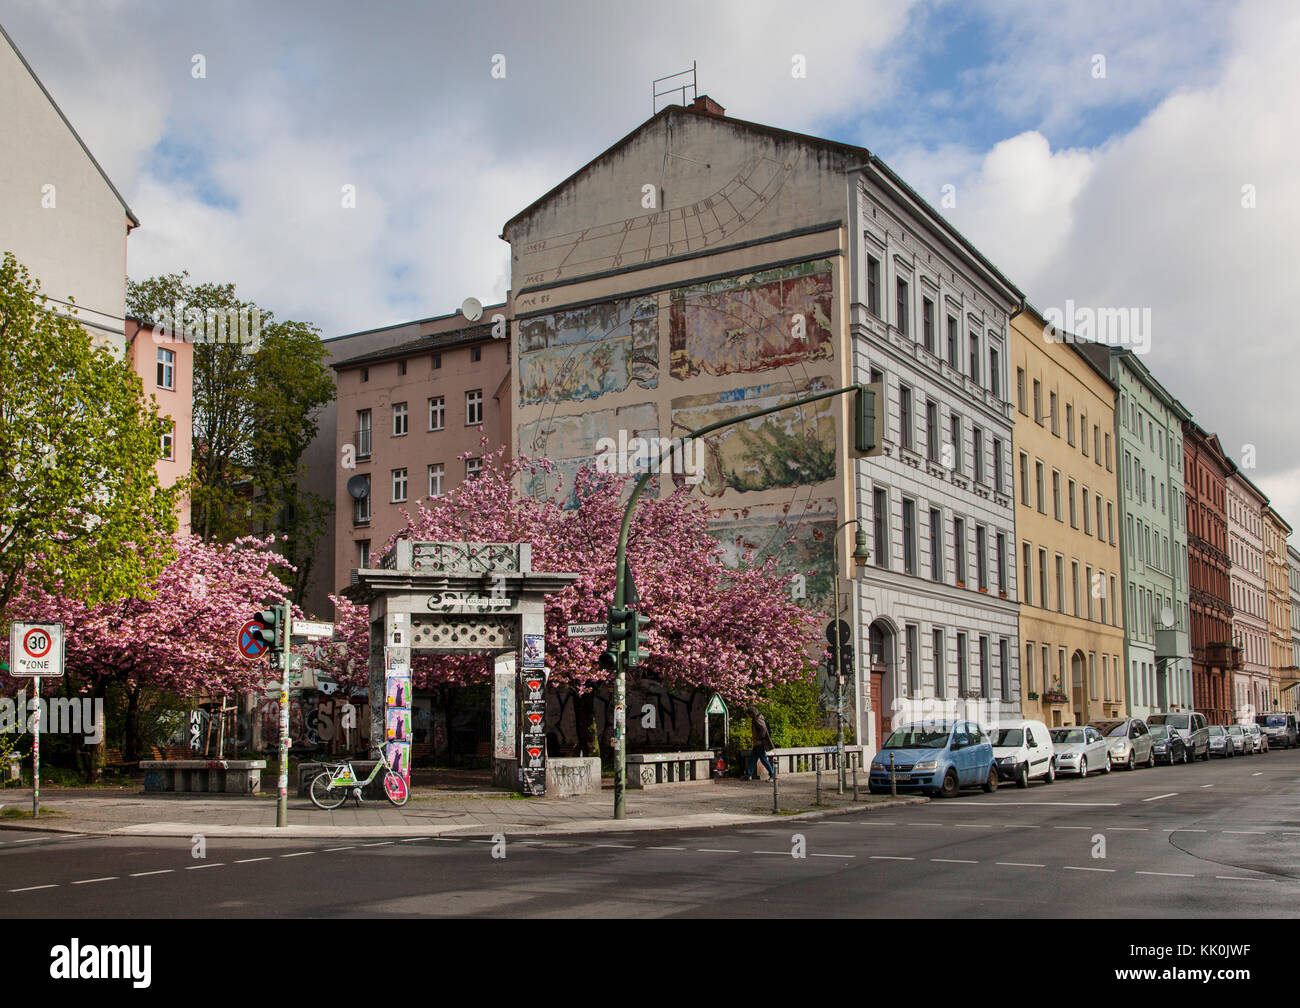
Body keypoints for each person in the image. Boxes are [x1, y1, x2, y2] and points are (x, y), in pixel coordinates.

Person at [745, 706, 775, 780]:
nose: (749, 716)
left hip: (759, 743)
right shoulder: (756, 719)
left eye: (750, 714)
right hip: (757, 743)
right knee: (753, 759)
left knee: (763, 759)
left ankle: (772, 774)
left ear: (752, 713)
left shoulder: (757, 719)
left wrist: (760, 737)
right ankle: (748, 775)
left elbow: (763, 728)